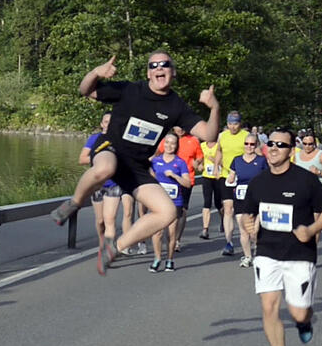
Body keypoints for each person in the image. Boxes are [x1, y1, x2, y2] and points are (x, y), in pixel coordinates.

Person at [50, 52, 220, 275]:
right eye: (154, 65)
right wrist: (94, 73)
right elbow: (85, 91)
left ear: (173, 72)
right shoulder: (130, 90)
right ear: (149, 73)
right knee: (105, 168)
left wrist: (214, 108)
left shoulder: (176, 106)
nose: (160, 68)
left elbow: (209, 135)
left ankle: (115, 247)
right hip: (111, 148)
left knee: (168, 212)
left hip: (136, 166)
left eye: (165, 65)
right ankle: (73, 203)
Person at [239, 129, 322, 346]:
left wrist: (312, 230)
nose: (273, 148)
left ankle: (304, 322)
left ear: (291, 150)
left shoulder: (305, 180)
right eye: (269, 143)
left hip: (299, 255)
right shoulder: (258, 182)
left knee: (298, 313)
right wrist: (249, 226)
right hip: (267, 252)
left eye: (280, 145)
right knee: (269, 307)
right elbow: (248, 214)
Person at [79, 112, 123, 249]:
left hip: (114, 184)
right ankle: (101, 243)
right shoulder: (94, 139)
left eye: (111, 122)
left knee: (110, 220)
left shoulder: (120, 140)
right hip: (97, 184)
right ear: (101, 124)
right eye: (105, 121)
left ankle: (107, 251)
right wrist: (101, 159)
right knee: (100, 220)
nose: (108, 124)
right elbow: (81, 159)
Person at [149, 132, 191, 272]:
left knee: (171, 233)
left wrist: (174, 175)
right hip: (158, 203)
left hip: (175, 202)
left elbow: (187, 183)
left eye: (172, 143)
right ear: (163, 144)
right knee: (157, 232)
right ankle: (157, 259)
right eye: (167, 142)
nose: (169, 145)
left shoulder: (180, 163)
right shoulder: (155, 161)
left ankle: (170, 259)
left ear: (176, 145)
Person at [156, 125, 203, 251]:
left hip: (186, 179)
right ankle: (162, 236)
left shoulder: (193, 140)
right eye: (178, 127)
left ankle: (176, 239)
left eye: (183, 127)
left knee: (181, 210)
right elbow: (157, 154)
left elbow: (199, 156)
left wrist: (197, 163)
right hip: (166, 181)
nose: (181, 129)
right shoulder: (167, 140)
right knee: (163, 209)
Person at [227, 133, 267, 267]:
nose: (249, 147)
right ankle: (247, 256)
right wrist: (230, 179)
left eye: (252, 144)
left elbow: (268, 178)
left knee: (254, 230)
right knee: (243, 228)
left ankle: (258, 250)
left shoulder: (261, 160)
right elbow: (231, 176)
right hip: (240, 198)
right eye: (246, 144)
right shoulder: (237, 160)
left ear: (256, 145)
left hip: (257, 199)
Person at [217, 111, 249, 256]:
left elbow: (257, 152)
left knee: (243, 211)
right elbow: (219, 151)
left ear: (240, 123)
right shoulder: (222, 136)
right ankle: (228, 242)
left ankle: (248, 238)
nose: (233, 127)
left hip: (243, 178)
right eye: (230, 123)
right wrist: (216, 168)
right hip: (226, 176)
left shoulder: (246, 136)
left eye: (235, 123)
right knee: (228, 208)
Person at [198, 135, 221, 240]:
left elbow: (225, 161)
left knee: (218, 203)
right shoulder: (202, 146)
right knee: (207, 202)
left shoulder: (219, 146)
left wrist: (215, 161)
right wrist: (200, 165)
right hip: (206, 177)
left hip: (218, 177)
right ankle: (205, 229)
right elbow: (199, 159)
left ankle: (223, 220)